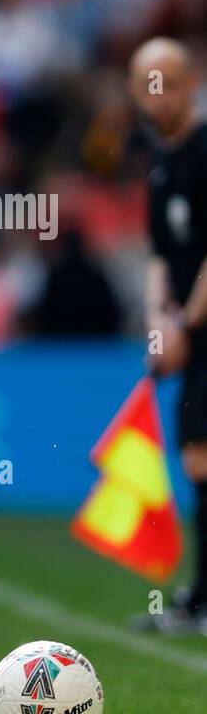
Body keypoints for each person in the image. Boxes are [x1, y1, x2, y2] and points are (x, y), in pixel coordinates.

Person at [129, 36, 207, 636]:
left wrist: (182, 323)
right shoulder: (160, 164)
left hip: (201, 326)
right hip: (188, 331)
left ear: (189, 82)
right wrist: (159, 318)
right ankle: (199, 599)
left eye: (166, 81)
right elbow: (161, 253)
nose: (156, 94)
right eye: (145, 83)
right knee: (197, 460)